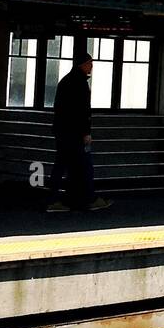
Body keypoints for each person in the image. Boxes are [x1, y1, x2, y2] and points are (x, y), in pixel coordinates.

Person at [48, 50, 111, 213]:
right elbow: (82, 111)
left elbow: (62, 109)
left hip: (63, 131)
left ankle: (55, 200)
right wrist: (86, 132)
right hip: (74, 134)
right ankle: (90, 199)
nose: (92, 67)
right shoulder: (80, 83)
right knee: (84, 166)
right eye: (90, 63)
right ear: (83, 65)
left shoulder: (66, 81)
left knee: (62, 165)